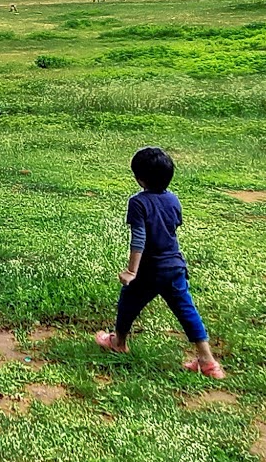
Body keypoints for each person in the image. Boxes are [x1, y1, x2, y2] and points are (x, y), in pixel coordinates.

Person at [94, 146, 225, 377]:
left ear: (139, 178)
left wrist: (131, 271)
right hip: (175, 266)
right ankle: (208, 362)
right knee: (186, 311)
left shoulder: (138, 202)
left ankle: (119, 342)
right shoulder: (173, 199)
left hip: (149, 269)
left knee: (128, 303)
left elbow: (139, 237)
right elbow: (174, 225)